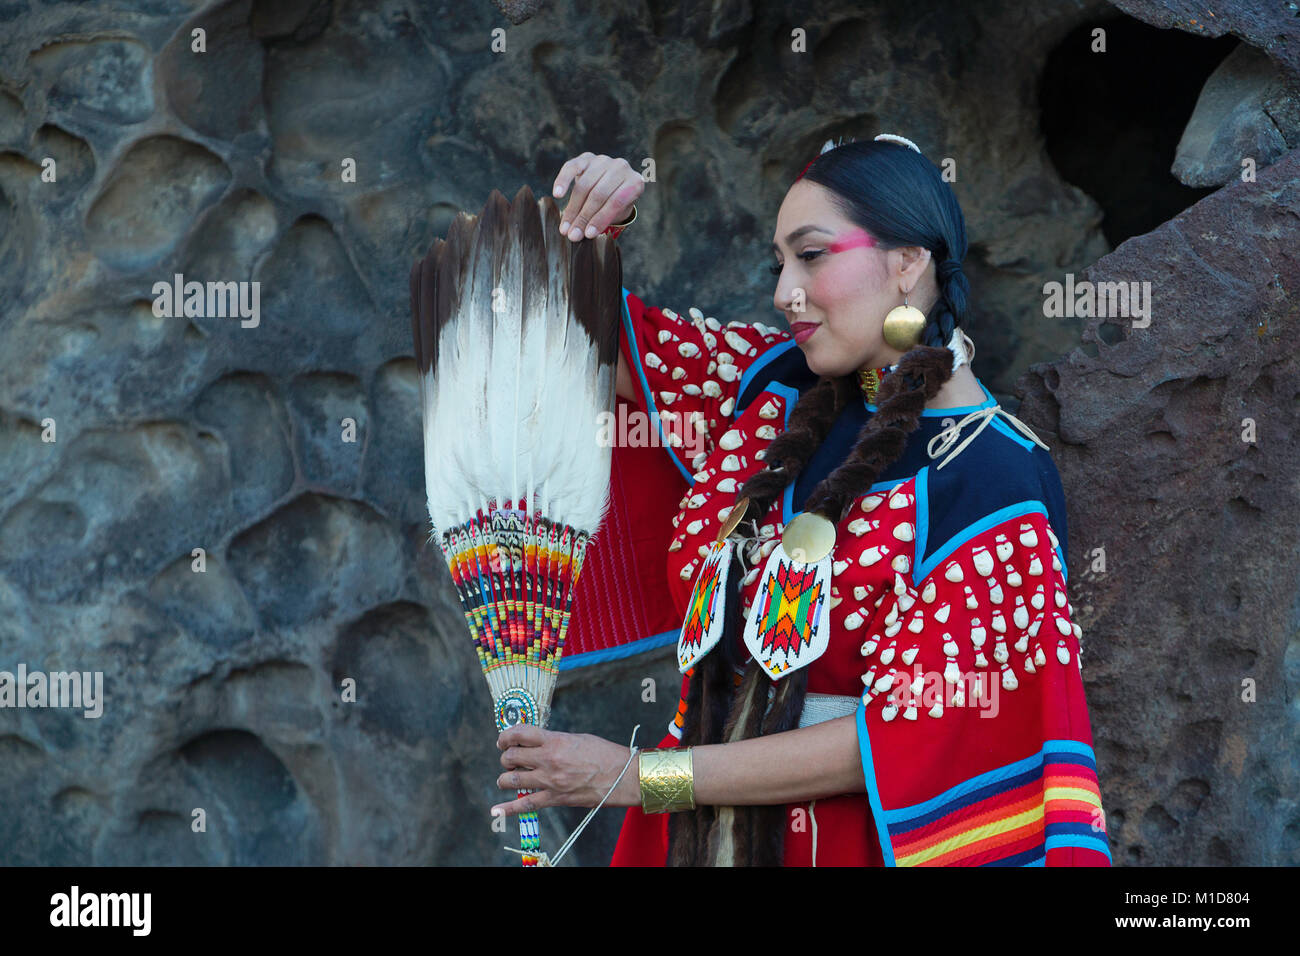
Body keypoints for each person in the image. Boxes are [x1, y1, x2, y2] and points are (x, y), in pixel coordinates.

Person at [491, 140, 1112, 866]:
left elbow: (906, 735)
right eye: (778, 263)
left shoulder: (994, 475)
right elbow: (567, 340)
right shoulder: (767, 390)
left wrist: (635, 779)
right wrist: (592, 227)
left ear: (909, 262)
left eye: (811, 256)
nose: (786, 290)